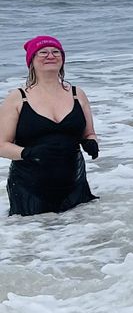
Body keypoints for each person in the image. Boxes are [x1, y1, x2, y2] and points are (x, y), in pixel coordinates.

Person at [2, 36, 99, 216]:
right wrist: (28, 153)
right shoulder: (17, 97)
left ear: (62, 59)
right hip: (29, 186)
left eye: (56, 52)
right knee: (36, 240)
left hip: (74, 181)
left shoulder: (77, 94)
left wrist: (90, 142)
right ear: (31, 61)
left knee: (83, 238)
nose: (50, 55)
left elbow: (89, 133)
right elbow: (2, 145)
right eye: (43, 52)